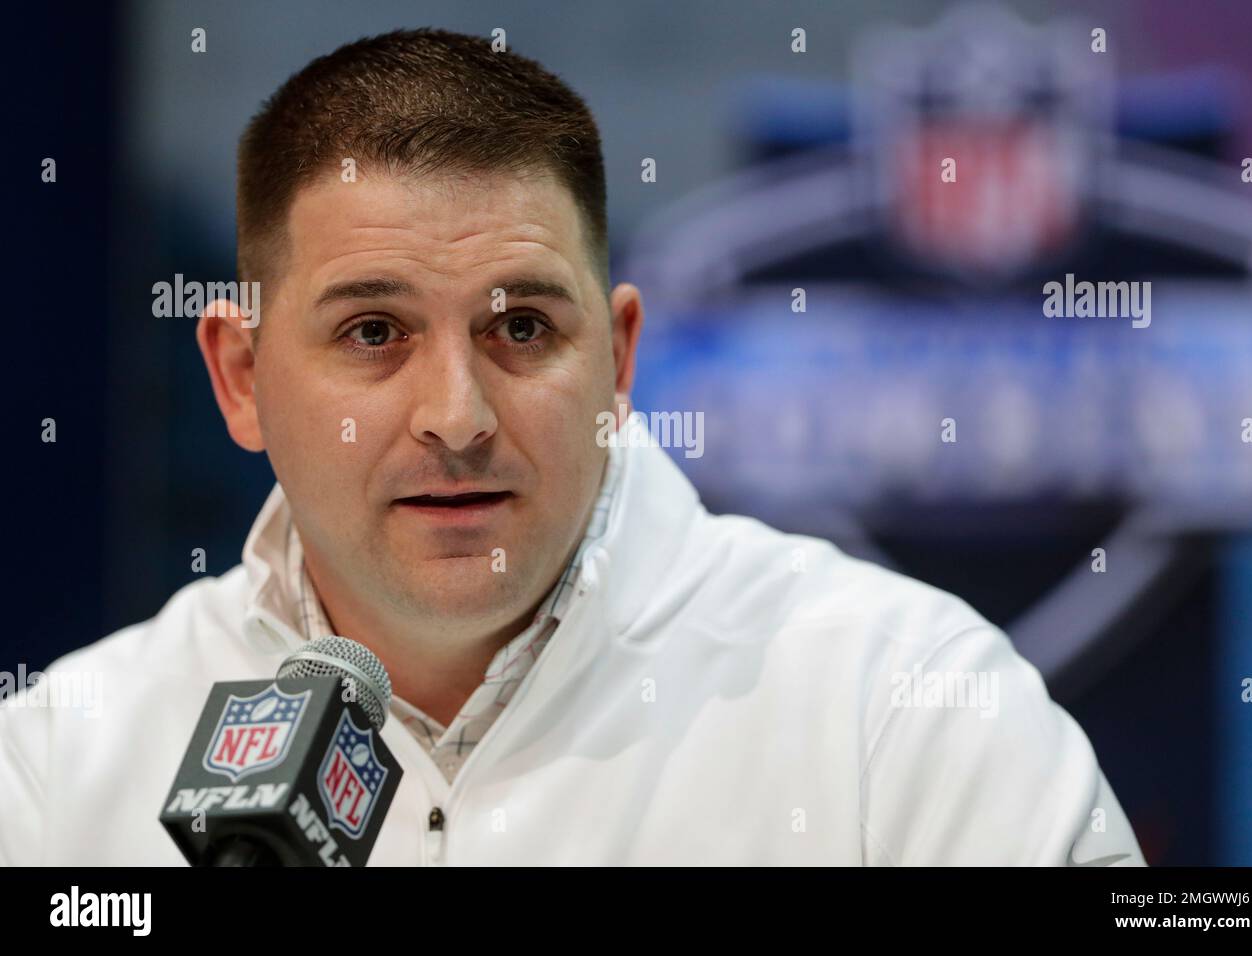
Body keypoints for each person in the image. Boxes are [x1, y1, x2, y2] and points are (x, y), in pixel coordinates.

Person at [0, 27, 1144, 866]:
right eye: (373, 331)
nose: (457, 414)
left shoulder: (905, 706)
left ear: (619, 361)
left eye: (522, 327)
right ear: (240, 378)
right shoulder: (58, 765)